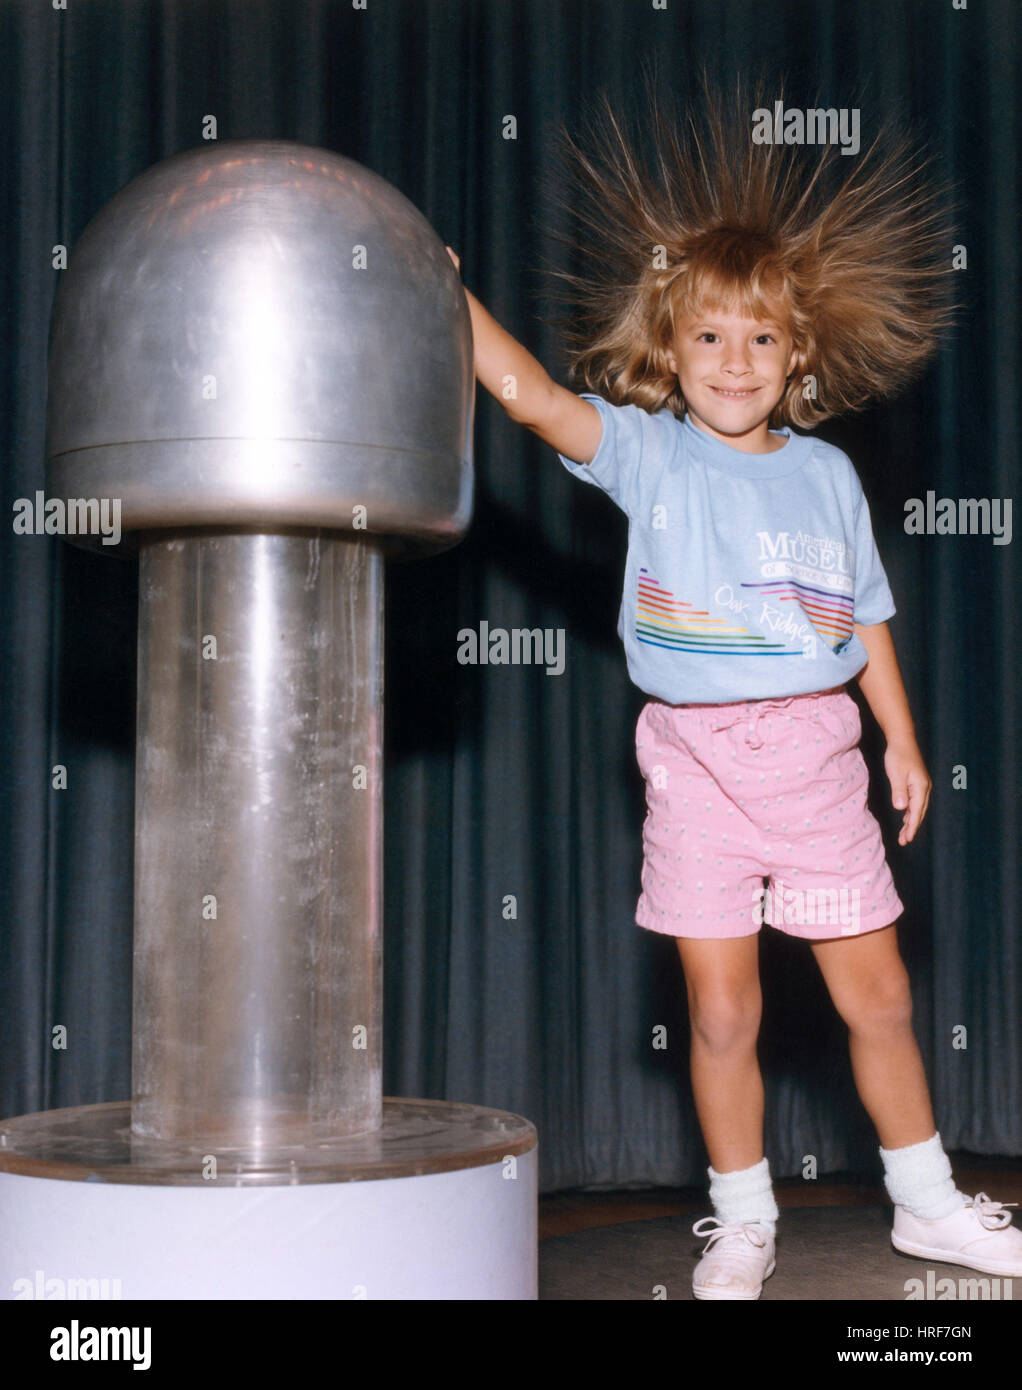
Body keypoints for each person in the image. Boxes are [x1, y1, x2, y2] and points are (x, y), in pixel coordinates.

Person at [446, 73, 1022, 1300]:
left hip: (817, 758)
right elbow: (535, 400)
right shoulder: (648, 456)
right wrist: (447, 294)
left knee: (877, 997)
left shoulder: (823, 479)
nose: (732, 358)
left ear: (795, 351)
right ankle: (742, 1216)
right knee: (719, 1014)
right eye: (706, 335)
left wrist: (902, 742)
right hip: (695, 763)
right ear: (671, 349)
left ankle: (924, 1205)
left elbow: (865, 616)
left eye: (759, 336)